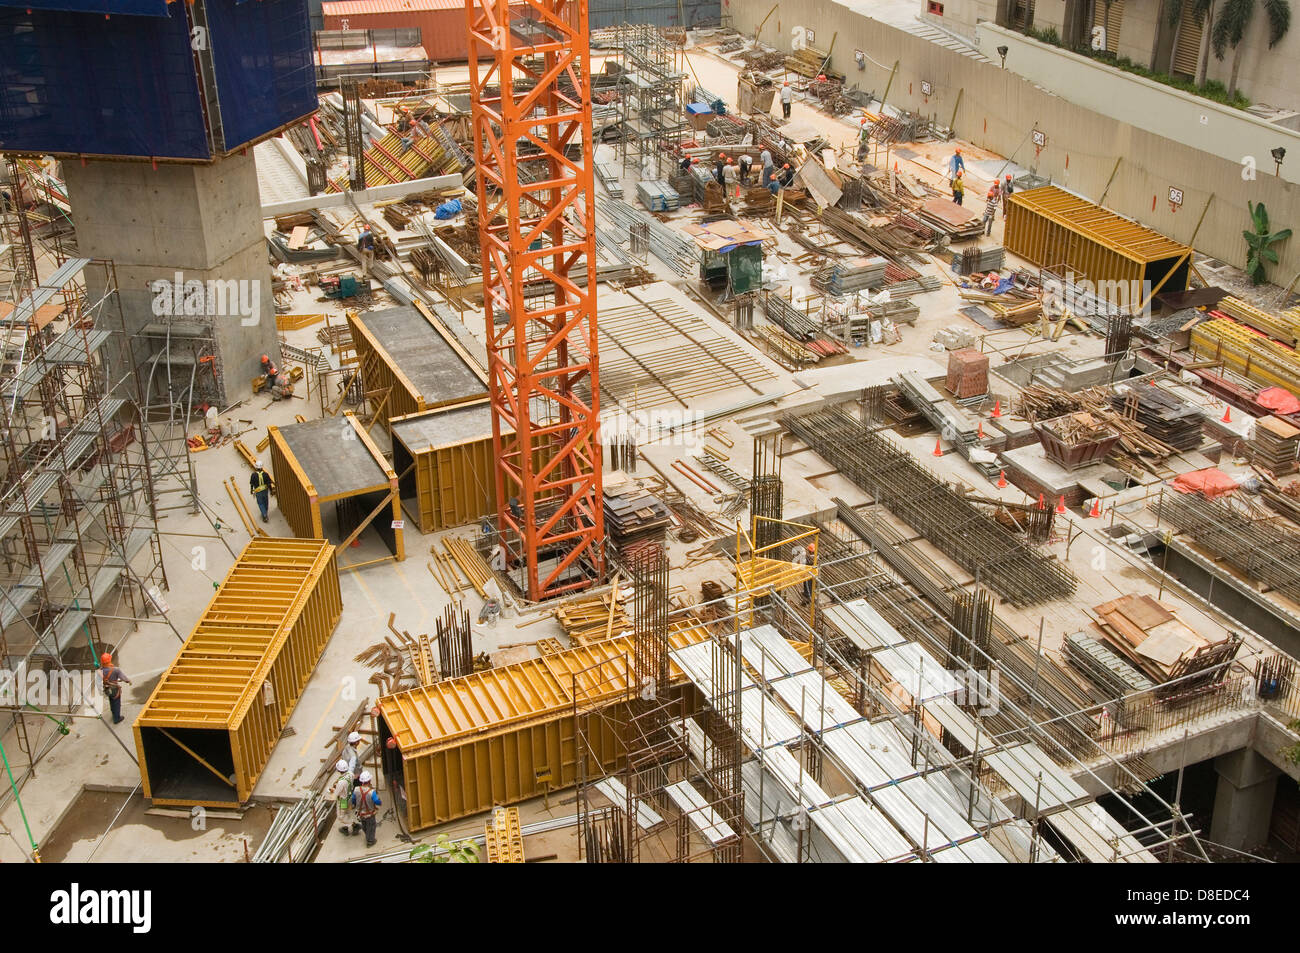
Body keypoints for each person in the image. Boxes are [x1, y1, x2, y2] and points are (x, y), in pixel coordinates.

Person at [351, 770, 382, 847]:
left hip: (361, 814)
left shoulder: (356, 789)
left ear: (361, 781)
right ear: (369, 781)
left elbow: (353, 799)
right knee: (371, 827)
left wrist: (355, 804)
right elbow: (376, 801)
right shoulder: (372, 792)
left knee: (364, 826)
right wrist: (380, 802)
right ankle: (370, 841)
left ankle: (367, 835)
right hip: (369, 814)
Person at [99, 652, 132, 724]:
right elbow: (124, 678)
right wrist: (128, 681)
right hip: (114, 689)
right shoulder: (115, 670)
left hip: (107, 689)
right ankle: (116, 718)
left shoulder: (100, 671)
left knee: (111, 700)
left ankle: (113, 712)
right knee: (116, 702)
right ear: (109, 660)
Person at [331, 759, 355, 836]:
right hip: (350, 797)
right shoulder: (350, 774)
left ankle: (352, 825)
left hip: (343, 800)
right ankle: (349, 824)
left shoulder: (341, 782)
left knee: (341, 816)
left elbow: (336, 794)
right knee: (348, 812)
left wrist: (332, 790)